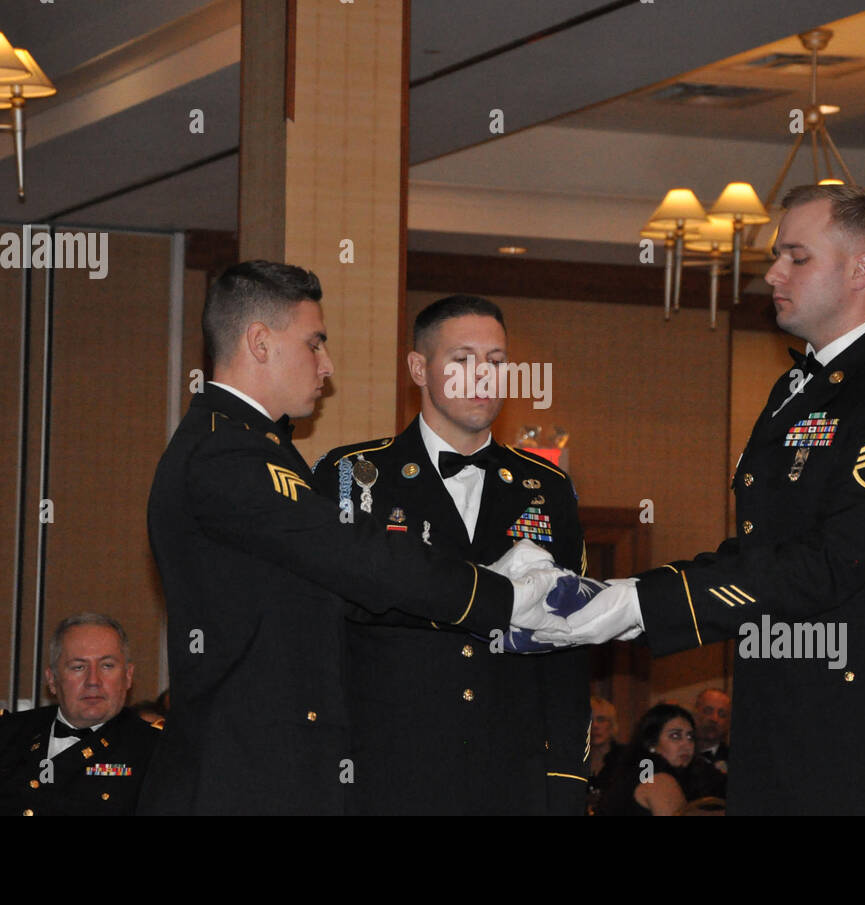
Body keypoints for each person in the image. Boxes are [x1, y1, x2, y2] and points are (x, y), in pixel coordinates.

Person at [550, 183, 865, 816]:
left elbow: (827, 564)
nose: (773, 272)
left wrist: (638, 604)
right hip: (776, 728)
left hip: (862, 739)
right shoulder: (795, 390)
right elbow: (758, 553)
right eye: (778, 255)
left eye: (797, 257)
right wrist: (624, 598)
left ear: (860, 269)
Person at [142, 261, 567, 815]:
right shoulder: (230, 454)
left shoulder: (251, 447)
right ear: (259, 342)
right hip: (244, 775)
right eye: (314, 343)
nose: (327, 364)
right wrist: (499, 593)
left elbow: (351, 589)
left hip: (265, 767)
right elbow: (360, 559)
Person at [311, 295, 589, 815]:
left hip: (510, 774)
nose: (482, 376)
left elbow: (567, 642)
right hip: (386, 773)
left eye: (497, 362)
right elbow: (320, 632)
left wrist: (567, 775)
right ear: (418, 367)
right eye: (462, 360)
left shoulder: (546, 488)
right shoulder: (352, 476)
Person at [0, 613, 161, 816]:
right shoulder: (2, 733)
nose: (93, 680)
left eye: (107, 666)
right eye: (78, 667)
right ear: (51, 679)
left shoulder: (154, 750)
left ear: (128, 676)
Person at [598, 703, 696, 817]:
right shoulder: (658, 779)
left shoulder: (637, 770)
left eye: (690, 737)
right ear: (651, 743)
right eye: (675, 736)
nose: (686, 744)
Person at [586, 695, 623, 814]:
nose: (595, 726)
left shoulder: (626, 757)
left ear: (612, 725)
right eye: (590, 720)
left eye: (601, 719)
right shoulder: (575, 760)